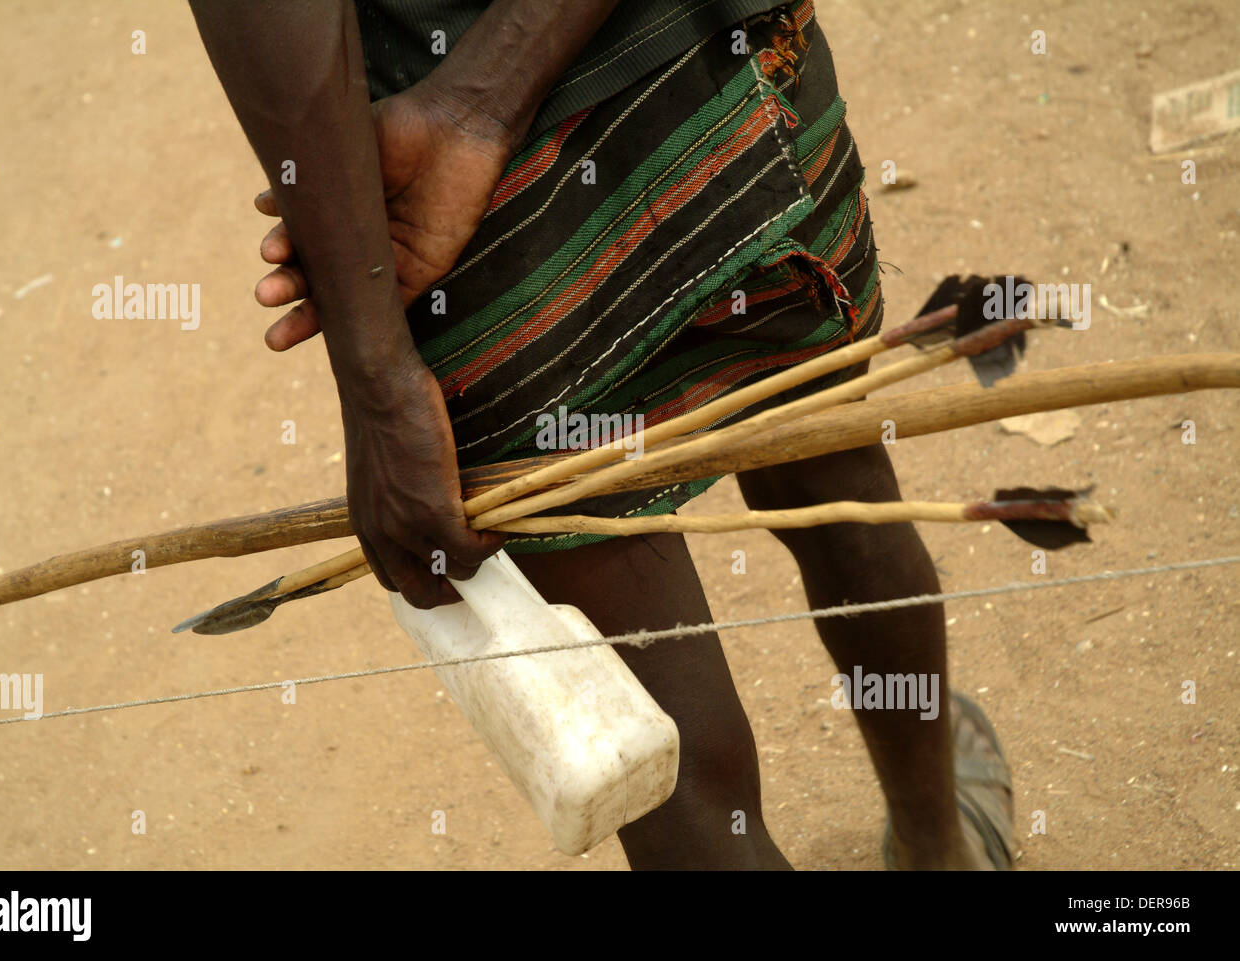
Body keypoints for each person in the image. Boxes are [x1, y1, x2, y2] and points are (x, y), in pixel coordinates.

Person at [190, 0, 1015, 870]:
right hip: (693, 74)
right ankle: (940, 846)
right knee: (840, 491)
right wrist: (479, 103)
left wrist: (381, 384)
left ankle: (938, 845)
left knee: (672, 749)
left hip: (462, 206)